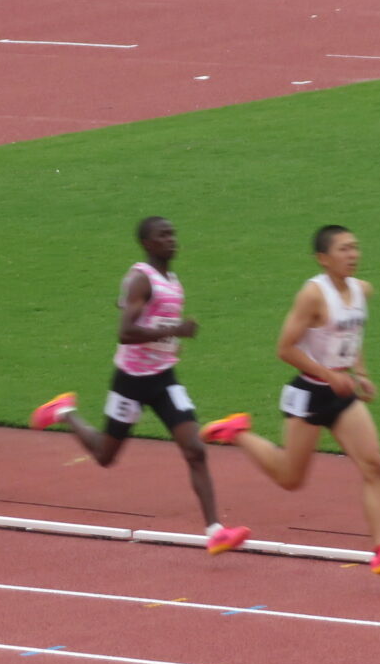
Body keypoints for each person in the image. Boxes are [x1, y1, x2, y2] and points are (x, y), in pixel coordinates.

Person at [30, 217, 251, 554]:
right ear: (148, 244)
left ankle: (215, 530)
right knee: (105, 456)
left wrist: (169, 338)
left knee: (195, 449)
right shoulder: (140, 280)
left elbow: (154, 326)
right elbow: (125, 333)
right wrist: (175, 331)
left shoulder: (172, 281)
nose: (172, 239)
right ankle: (65, 411)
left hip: (163, 379)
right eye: (163, 235)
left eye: (173, 233)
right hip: (130, 382)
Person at [206, 225, 380, 575]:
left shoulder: (362, 290)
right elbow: (284, 349)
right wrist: (330, 375)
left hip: (343, 392)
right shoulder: (313, 296)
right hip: (310, 393)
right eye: (344, 249)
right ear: (323, 258)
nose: (353, 255)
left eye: (355, 248)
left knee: (373, 465)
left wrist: (360, 374)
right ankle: (236, 432)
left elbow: (352, 336)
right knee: (290, 479)